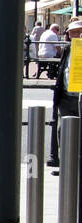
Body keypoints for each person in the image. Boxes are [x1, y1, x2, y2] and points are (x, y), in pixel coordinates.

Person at [48, 21, 81, 167]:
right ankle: (65, 165)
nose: (77, 35)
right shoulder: (68, 49)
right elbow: (62, 70)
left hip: (79, 97)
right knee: (63, 131)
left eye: (79, 32)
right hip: (66, 96)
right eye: (73, 33)